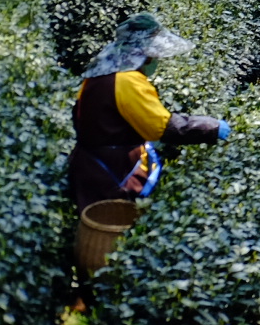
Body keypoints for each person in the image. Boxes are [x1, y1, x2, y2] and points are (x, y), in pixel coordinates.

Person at [71, 12, 229, 213]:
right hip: (114, 171)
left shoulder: (98, 76)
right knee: (113, 229)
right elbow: (161, 126)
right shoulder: (127, 81)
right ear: (143, 55)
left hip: (90, 166)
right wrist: (211, 127)